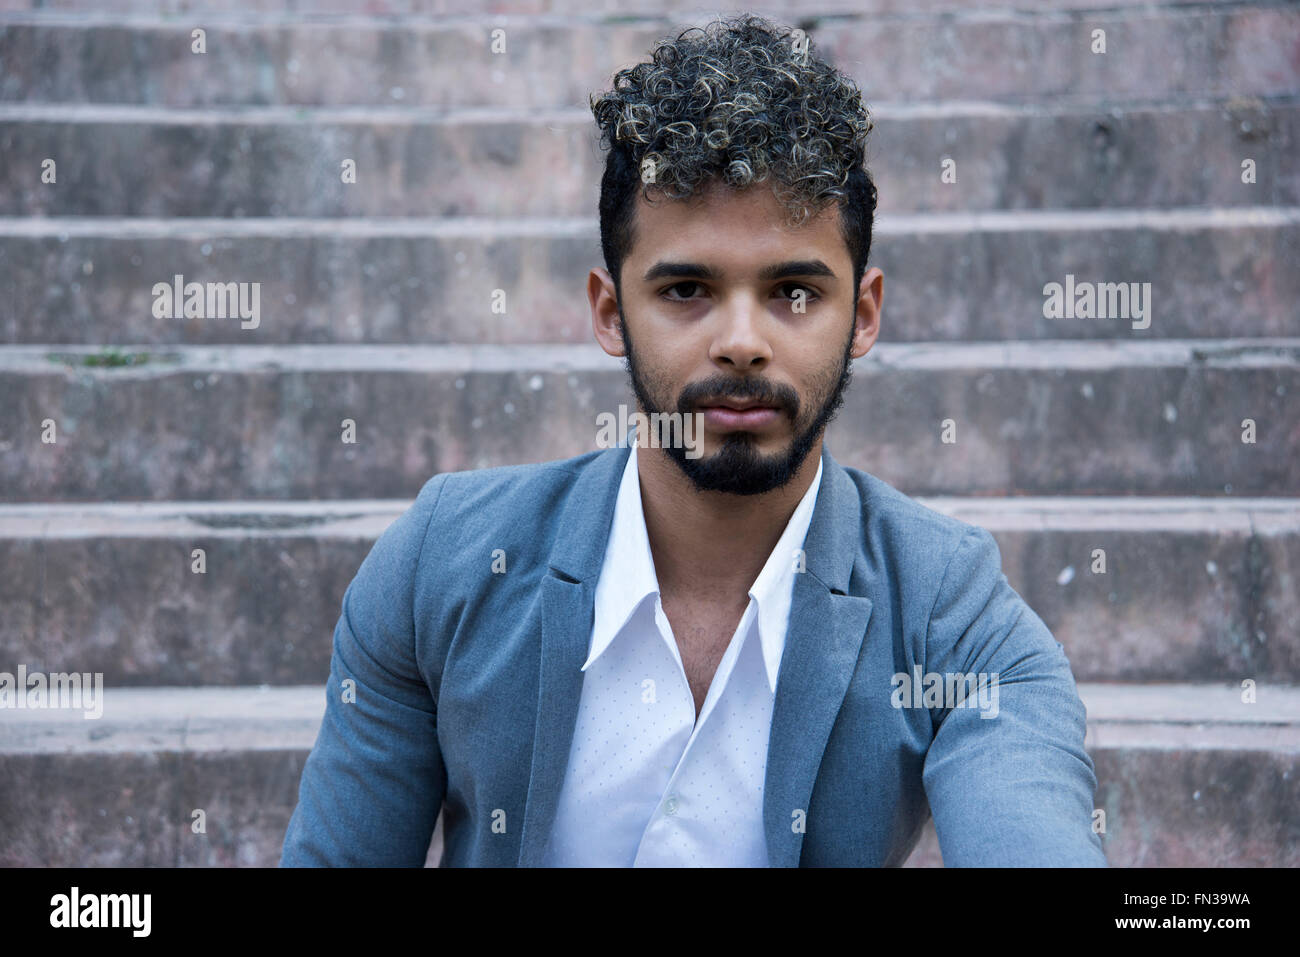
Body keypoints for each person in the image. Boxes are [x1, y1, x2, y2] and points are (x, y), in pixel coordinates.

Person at [280, 13, 1105, 867]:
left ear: (863, 315)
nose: (741, 343)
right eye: (685, 290)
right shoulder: (444, 563)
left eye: (793, 291)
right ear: (610, 312)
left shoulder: (949, 610)